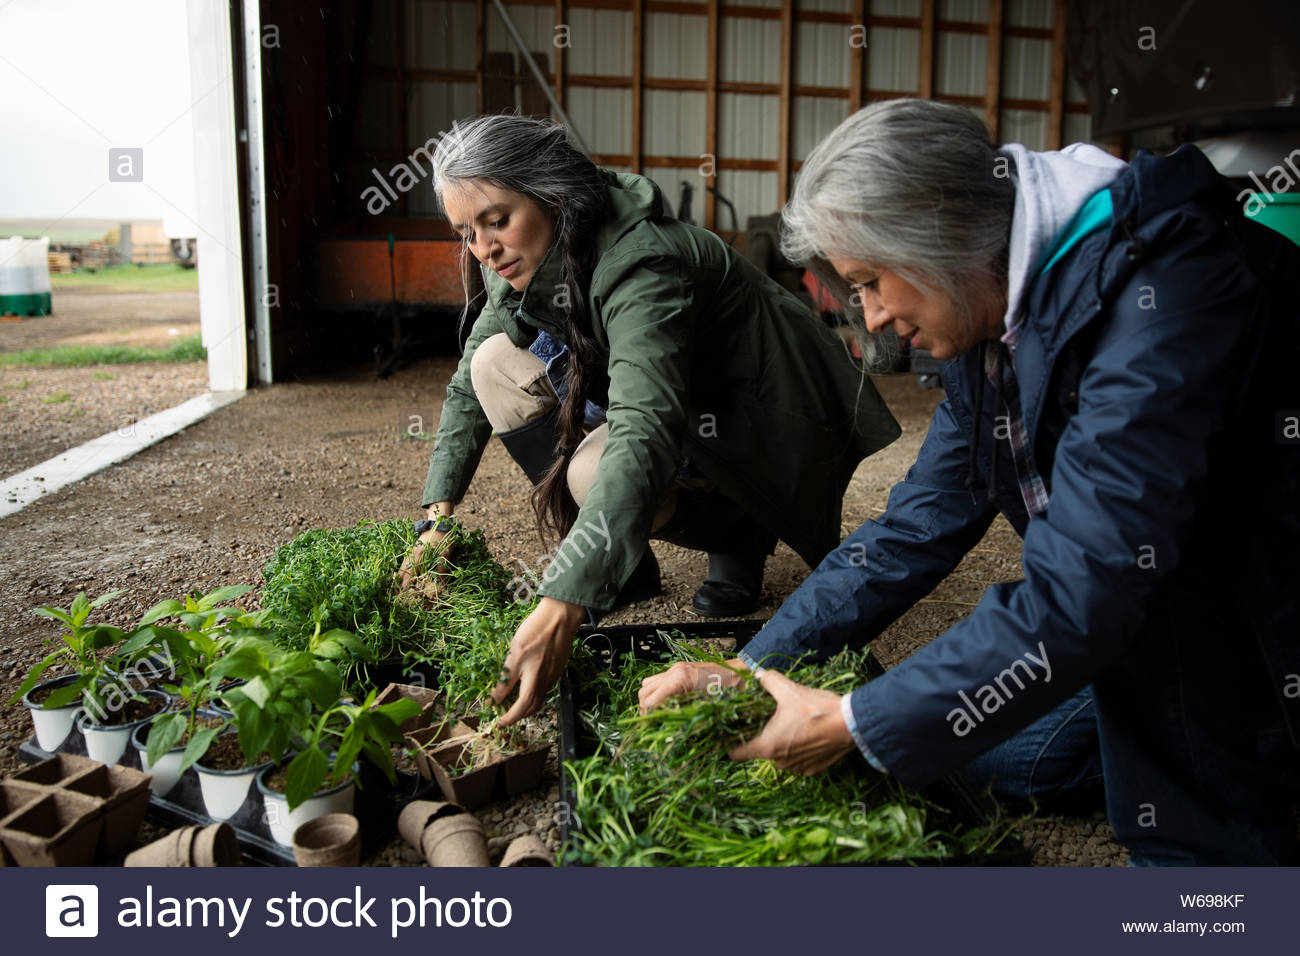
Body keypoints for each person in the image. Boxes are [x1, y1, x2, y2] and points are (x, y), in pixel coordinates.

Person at [639, 98, 1300, 865]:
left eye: (873, 280)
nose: (874, 317)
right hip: (1150, 605)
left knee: (1184, 834)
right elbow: (914, 528)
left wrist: (853, 721)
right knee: (977, 747)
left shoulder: (1164, 291)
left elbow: (1089, 585)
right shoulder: (991, 326)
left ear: (939, 234)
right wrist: (751, 667)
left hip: (1245, 615)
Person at [401, 114, 901, 725]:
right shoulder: (518, 259)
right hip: (682, 402)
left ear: (551, 195)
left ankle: (739, 529)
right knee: (493, 366)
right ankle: (622, 561)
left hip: (752, 415)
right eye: (466, 232)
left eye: (497, 221)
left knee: (594, 472)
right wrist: (436, 520)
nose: (483, 248)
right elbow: (463, 385)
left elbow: (646, 426)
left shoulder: (642, 262)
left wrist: (562, 598)